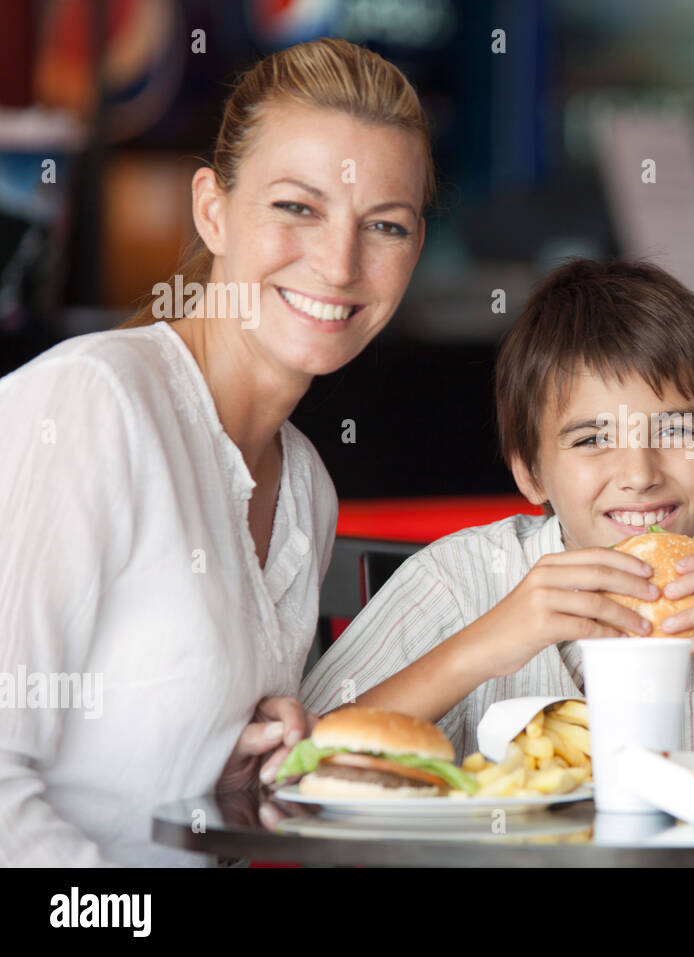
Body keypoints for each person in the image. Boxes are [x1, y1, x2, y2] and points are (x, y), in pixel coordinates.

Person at [0, 37, 432, 865]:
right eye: (296, 208)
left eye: (384, 225)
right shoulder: (92, 405)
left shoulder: (307, 484)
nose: (339, 263)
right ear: (212, 209)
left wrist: (222, 774)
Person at [301, 259, 694, 755]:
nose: (638, 475)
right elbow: (295, 760)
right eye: (591, 439)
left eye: (675, 431)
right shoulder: (461, 583)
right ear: (530, 472)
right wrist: (478, 648)